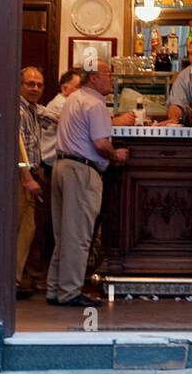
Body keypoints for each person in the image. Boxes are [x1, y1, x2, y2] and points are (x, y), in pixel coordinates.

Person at [48, 58, 129, 308]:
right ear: (94, 78)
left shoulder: (73, 99)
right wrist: (117, 155)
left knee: (63, 234)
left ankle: (55, 288)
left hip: (61, 166)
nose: (112, 78)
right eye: (108, 74)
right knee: (79, 236)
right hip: (82, 170)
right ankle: (70, 292)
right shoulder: (95, 104)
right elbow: (100, 143)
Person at [26, 69, 82, 287]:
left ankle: (40, 277)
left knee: (48, 227)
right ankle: (33, 277)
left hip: (49, 170)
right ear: (64, 88)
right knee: (41, 228)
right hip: (44, 171)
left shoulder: (46, 106)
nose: (36, 89)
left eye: (39, 85)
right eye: (77, 88)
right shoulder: (62, 104)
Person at [15, 67, 47, 300]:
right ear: (19, 85)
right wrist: (27, 177)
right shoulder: (18, 109)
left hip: (32, 175)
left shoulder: (34, 110)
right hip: (19, 178)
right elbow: (17, 147)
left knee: (29, 229)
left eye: (39, 84)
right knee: (19, 230)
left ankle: (15, 280)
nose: (35, 88)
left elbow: (57, 115)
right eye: (30, 84)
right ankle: (11, 282)